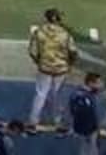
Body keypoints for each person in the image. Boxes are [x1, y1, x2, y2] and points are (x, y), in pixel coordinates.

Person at [26, 8, 77, 136]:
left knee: (40, 94)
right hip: (61, 69)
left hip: (44, 68)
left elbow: (32, 51)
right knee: (57, 95)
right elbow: (73, 51)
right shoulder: (65, 34)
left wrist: (39, 62)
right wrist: (70, 64)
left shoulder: (39, 32)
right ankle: (58, 123)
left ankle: (32, 123)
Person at [70, 72, 102, 155]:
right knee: (90, 148)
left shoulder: (77, 93)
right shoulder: (86, 97)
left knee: (86, 148)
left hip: (83, 128)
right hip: (87, 128)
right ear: (91, 83)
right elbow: (89, 114)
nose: (100, 85)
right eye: (98, 83)